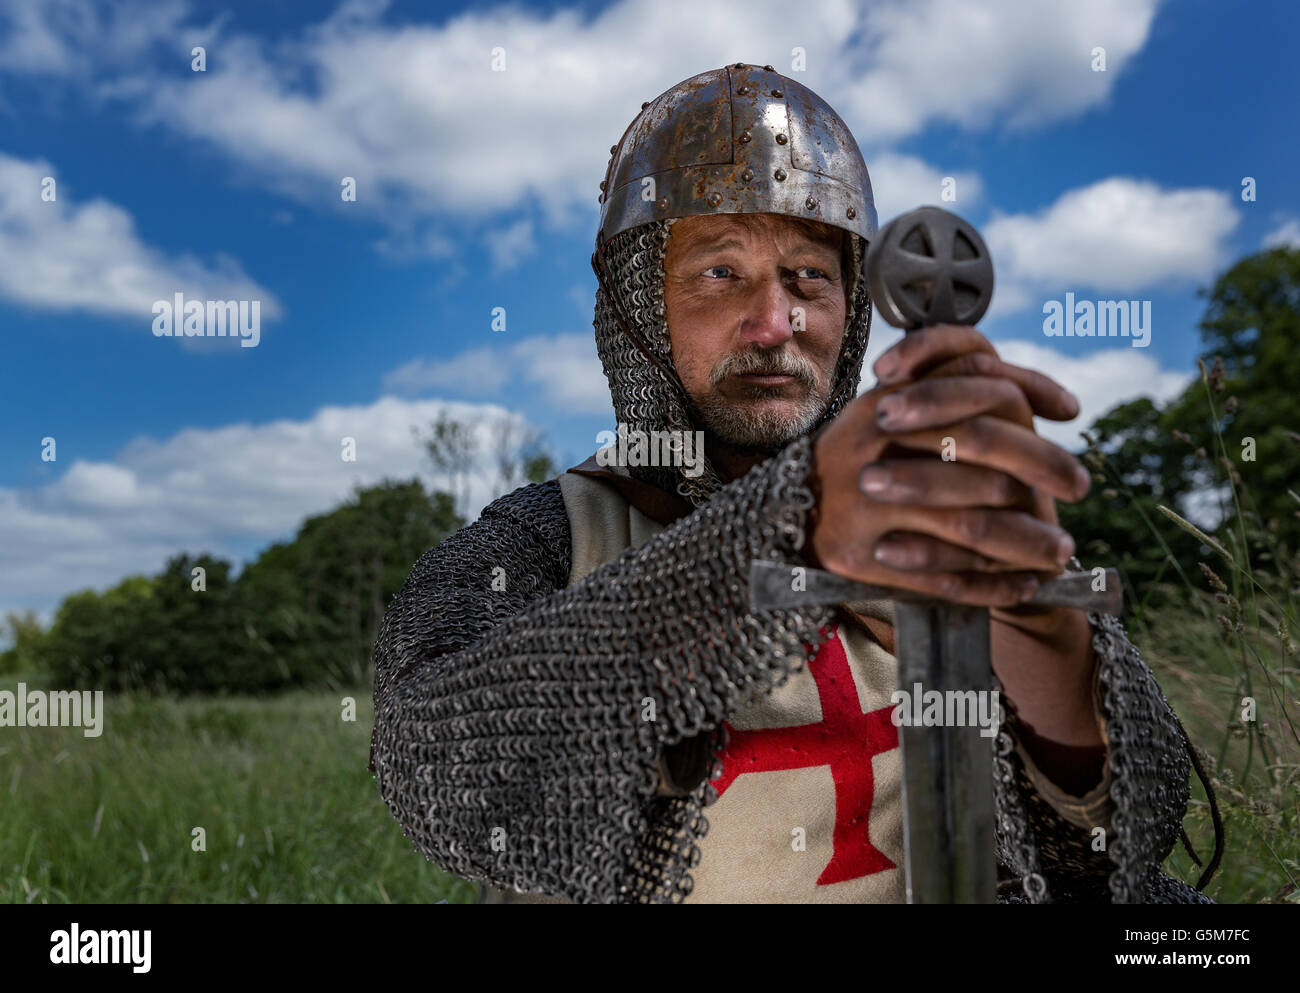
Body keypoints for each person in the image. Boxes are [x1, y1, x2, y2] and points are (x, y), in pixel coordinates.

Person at [368, 63, 1213, 904]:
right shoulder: (548, 536)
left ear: (853, 308)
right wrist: (789, 527)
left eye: (811, 275)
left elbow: (1118, 836)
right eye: (719, 274)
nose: (778, 324)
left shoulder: (937, 508)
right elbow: (435, 770)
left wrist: (1049, 661)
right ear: (639, 307)